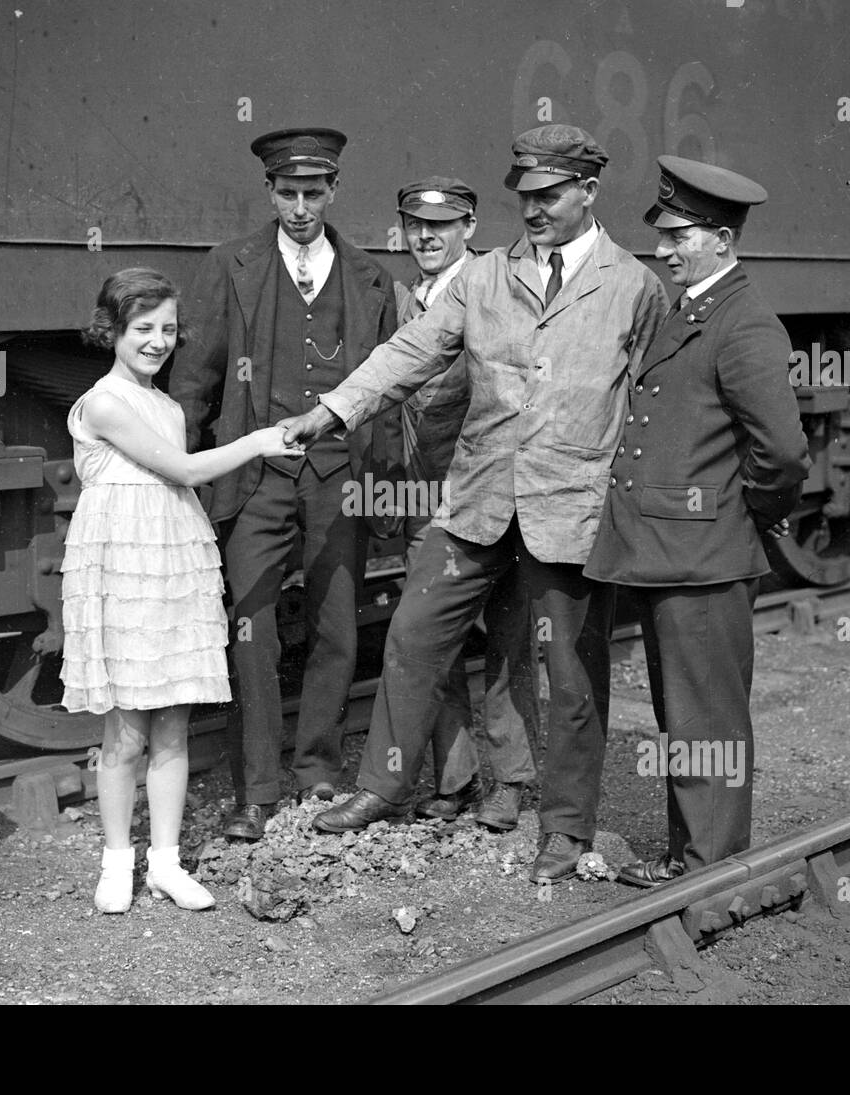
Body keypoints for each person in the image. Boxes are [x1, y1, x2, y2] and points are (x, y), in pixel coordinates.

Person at [283, 125, 669, 883]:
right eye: (522, 195)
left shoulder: (634, 287)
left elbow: (651, 403)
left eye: (549, 196)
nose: (531, 209)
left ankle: (564, 828)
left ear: (589, 193)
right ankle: (383, 786)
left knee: (573, 675)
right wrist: (334, 409)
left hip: (572, 512)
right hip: (476, 502)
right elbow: (412, 351)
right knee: (414, 632)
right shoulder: (486, 277)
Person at [582, 156, 811, 887]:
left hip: (705, 554)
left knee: (705, 718)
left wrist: (738, 518)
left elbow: (782, 451)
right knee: (684, 716)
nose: (664, 248)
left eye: (679, 235)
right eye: (663, 233)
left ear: (720, 237)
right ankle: (695, 858)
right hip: (672, 551)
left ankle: (712, 873)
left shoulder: (744, 324)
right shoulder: (696, 310)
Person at [171, 128, 402, 841]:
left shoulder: (368, 279)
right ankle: (257, 791)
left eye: (313, 193)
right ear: (269, 193)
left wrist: (389, 490)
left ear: (333, 193)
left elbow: (390, 389)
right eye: (287, 193)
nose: (300, 207)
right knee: (253, 632)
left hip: (339, 479)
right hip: (255, 477)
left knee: (336, 629)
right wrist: (178, 479)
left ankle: (319, 772)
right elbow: (195, 381)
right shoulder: (228, 265)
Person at [61, 268, 304, 913]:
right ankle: (117, 865)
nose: (157, 341)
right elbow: (188, 470)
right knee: (125, 734)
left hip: (171, 558)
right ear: (111, 330)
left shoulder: (167, 406)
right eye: (143, 329)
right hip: (124, 567)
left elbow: (180, 485)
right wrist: (260, 439)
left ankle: (165, 863)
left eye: (168, 329)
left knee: (172, 727)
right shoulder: (105, 403)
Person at [392, 176, 541, 827]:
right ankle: (455, 779)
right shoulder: (401, 300)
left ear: (469, 227)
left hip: (492, 499)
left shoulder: (495, 290)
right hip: (426, 502)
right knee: (433, 646)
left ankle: (512, 780)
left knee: (507, 642)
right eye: (417, 225)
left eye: (444, 225)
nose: (428, 236)